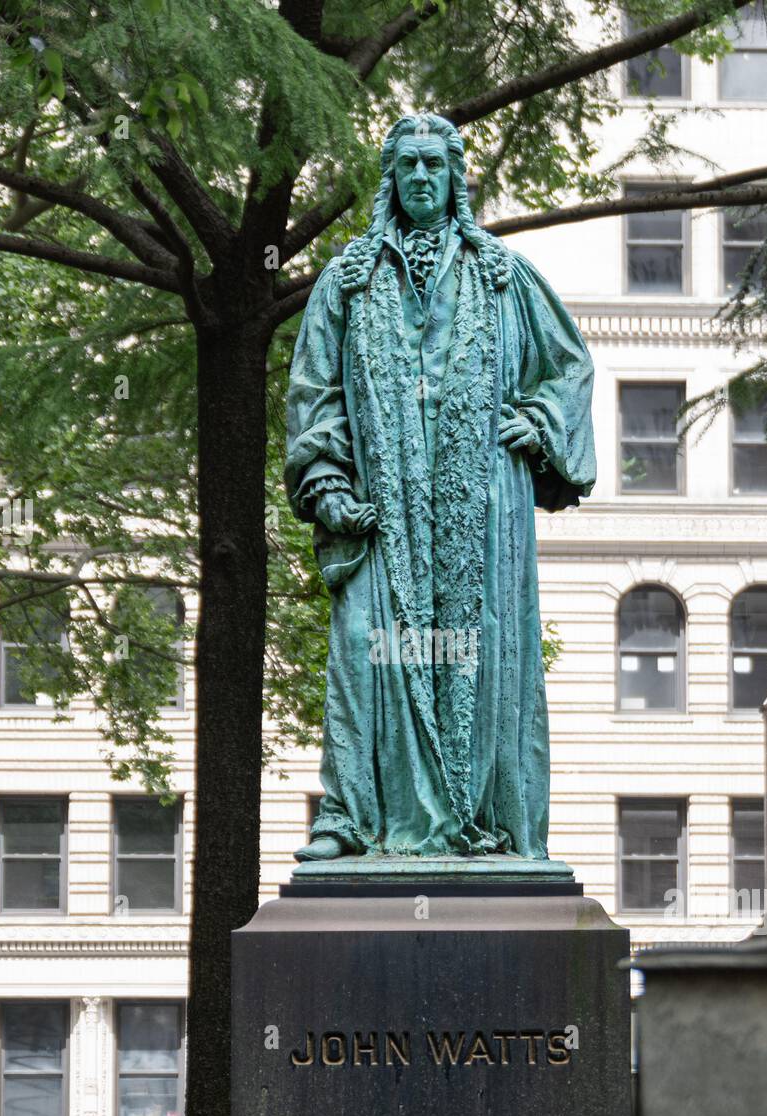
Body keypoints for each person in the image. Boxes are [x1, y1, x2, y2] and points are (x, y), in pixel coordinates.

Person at [285, 113, 596, 861]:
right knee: (367, 649)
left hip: (480, 500)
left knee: (477, 653)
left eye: (434, 166)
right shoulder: (349, 280)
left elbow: (570, 365)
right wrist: (326, 480)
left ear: (456, 177)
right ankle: (351, 818)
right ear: (390, 179)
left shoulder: (503, 274)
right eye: (408, 167)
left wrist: (541, 424)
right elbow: (314, 390)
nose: (421, 178)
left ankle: (488, 820)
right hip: (382, 503)